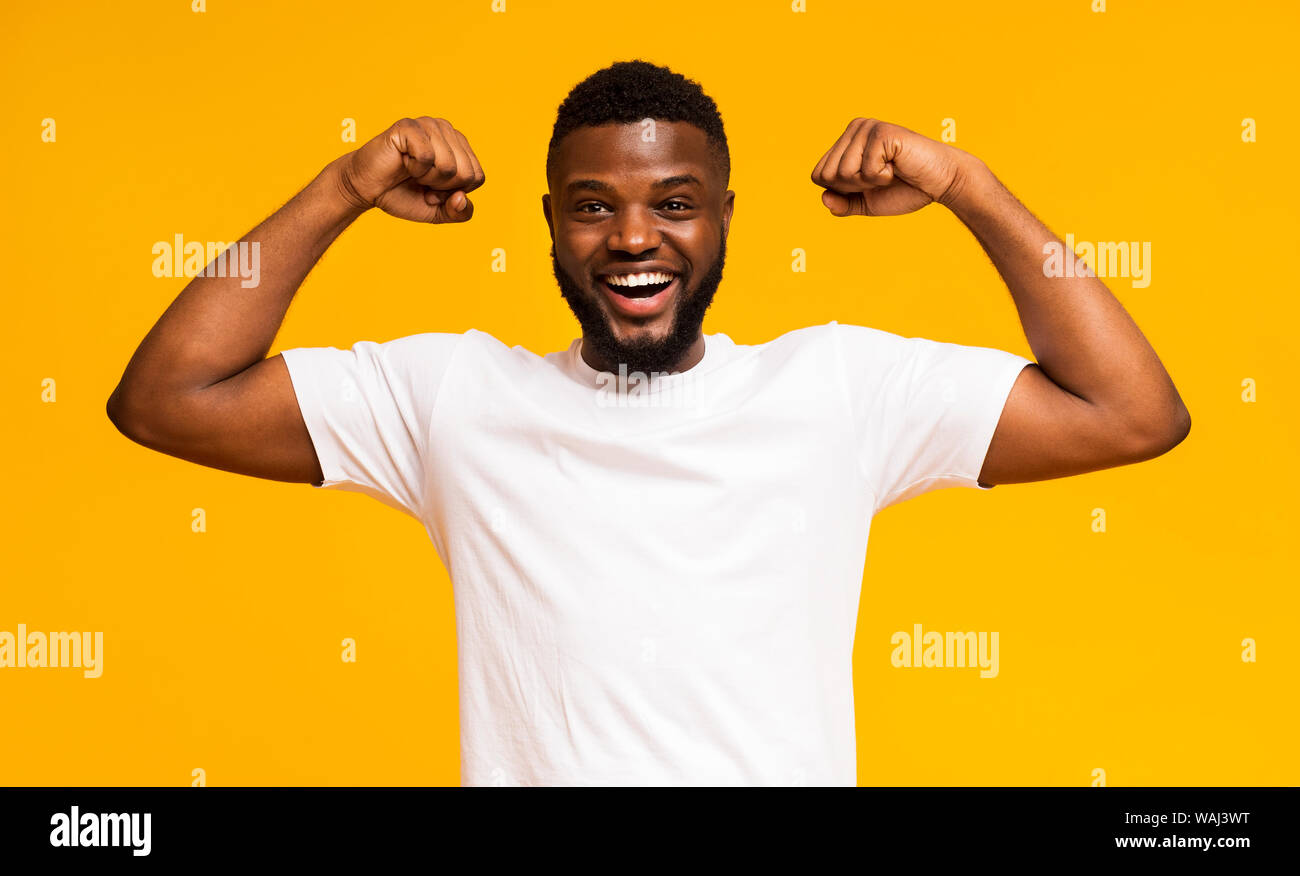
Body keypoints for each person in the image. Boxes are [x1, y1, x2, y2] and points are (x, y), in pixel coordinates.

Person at [107, 60, 1189, 786]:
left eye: (674, 203)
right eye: (594, 206)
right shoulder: (455, 401)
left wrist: (972, 187)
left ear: (722, 219)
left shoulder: (839, 391)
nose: (634, 238)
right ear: (550, 224)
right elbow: (166, 400)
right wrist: (343, 185)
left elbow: (1131, 412)